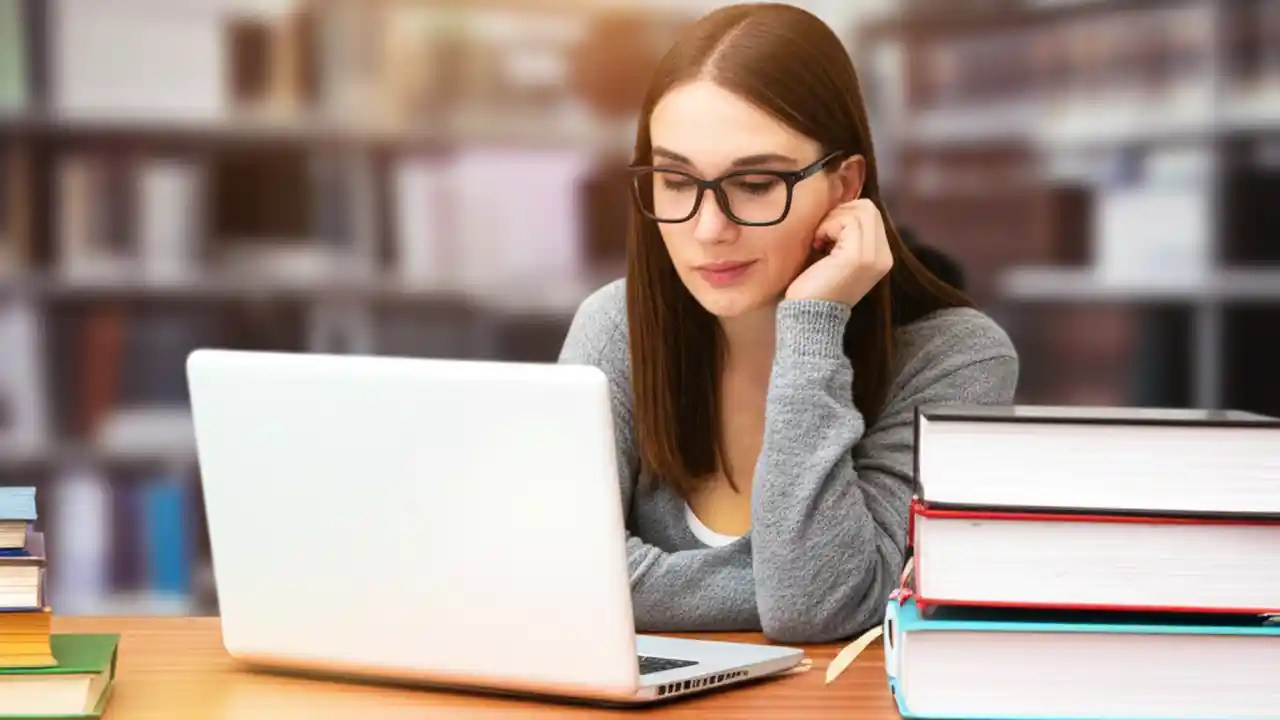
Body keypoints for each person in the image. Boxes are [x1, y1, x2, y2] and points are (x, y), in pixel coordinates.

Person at [558, 3, 1018, 643]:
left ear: (844, 185)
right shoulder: (616, 326)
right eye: (674, 179)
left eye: (755, 183)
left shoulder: (957, 360)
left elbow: (814, 607)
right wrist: (802, 583)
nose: (708, 229)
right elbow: (560, 575)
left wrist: (813, 324)